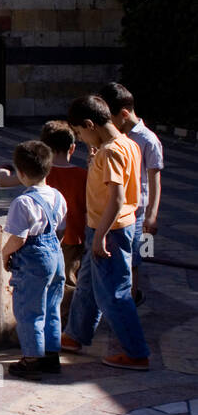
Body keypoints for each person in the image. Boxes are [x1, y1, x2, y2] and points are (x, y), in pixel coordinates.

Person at [61, 95, 149, 369]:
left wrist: (99, 236)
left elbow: (118, 198)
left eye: (79, 133)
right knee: (86, 284)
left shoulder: (110, 151)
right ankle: (74, 335)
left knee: (114, 293)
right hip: (110, 228)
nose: (81, 138)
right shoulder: (127, 143)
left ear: (89, 124)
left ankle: (136, 353)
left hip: (109, 231)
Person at [0, 121, 87, 325]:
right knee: (68, 282)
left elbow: (4, 182)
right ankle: (62, 323)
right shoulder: (83, 175)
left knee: (40, 286)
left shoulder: (42, 172)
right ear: (72, 148)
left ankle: (41, 322)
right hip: (74, 237)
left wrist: (2, 171)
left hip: (42, 242)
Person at [0, 140, 67, 380]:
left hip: (34, 258)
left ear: (21, 173)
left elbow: (18, 238)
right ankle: (51, 354)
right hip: (56, 255)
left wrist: (5, 254)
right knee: (51, 306)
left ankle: (31, 358)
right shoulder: (58, 196)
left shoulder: (23, 202)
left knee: (29, 308)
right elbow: (60, 229)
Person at [98, 83, 163, 306]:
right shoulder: (113, 138)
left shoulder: (148, 140)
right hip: (112, 207)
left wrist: (152, 215)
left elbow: (154, 180)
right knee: (116, 255)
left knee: (132, 258)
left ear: (124, 113)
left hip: (136, 210)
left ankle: (131, 298)